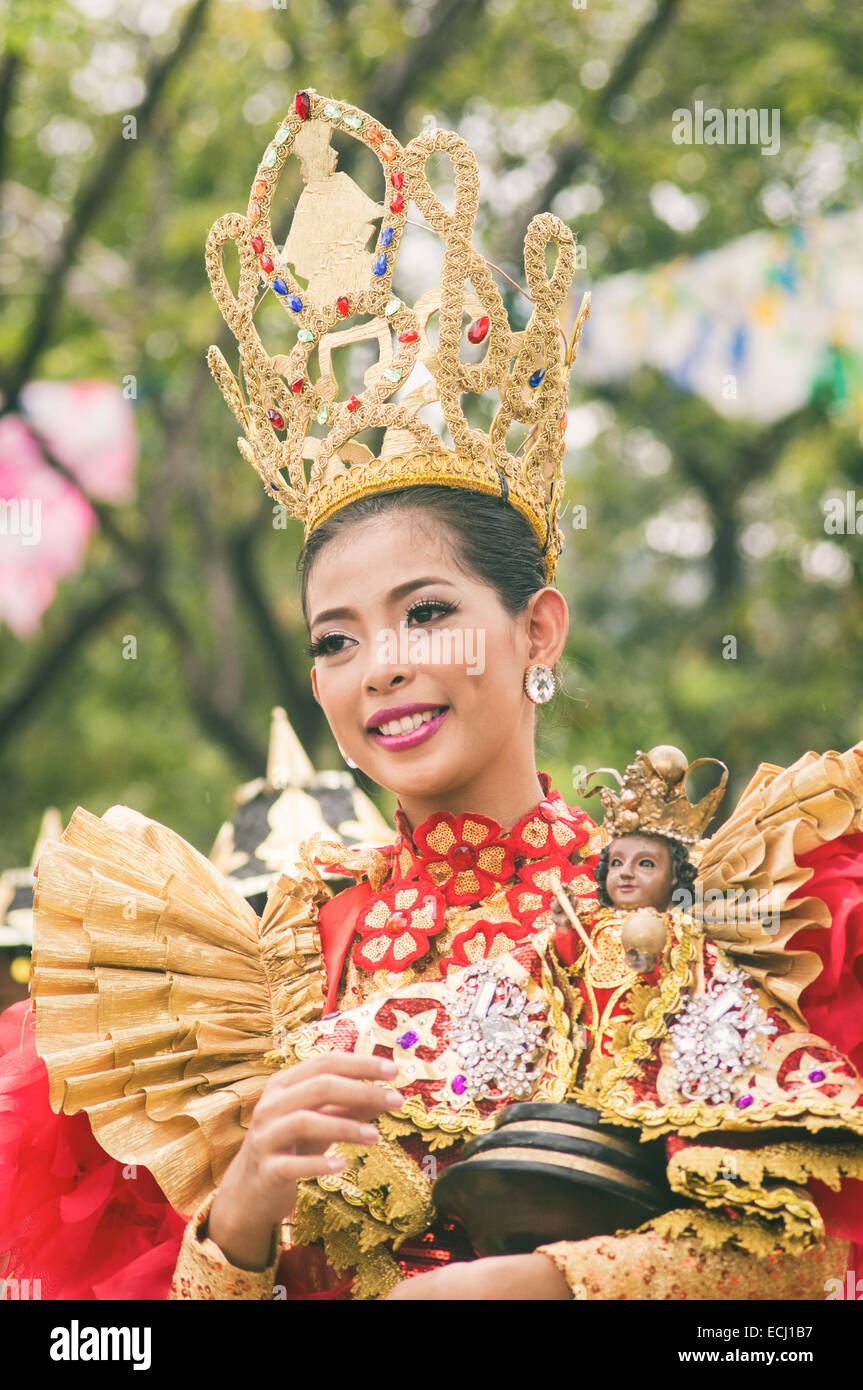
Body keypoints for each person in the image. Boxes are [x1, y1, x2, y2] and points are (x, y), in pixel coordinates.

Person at [2, 89, 862, 1302]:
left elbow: (793, 1252)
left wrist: (549, 1283)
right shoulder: (275, 952)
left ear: (536, 628)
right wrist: (240, 1217)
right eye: (337, 641)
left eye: (426, 613)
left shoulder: (650, 910)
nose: (382, 665)